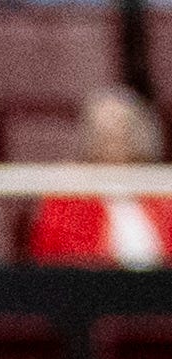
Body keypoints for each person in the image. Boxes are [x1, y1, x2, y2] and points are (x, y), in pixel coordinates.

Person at [28, 91, 172, 267]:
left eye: (122, 128)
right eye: (104, 131)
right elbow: (53, 259)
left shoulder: (162, 195)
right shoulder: (66, 196)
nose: (113, 136)